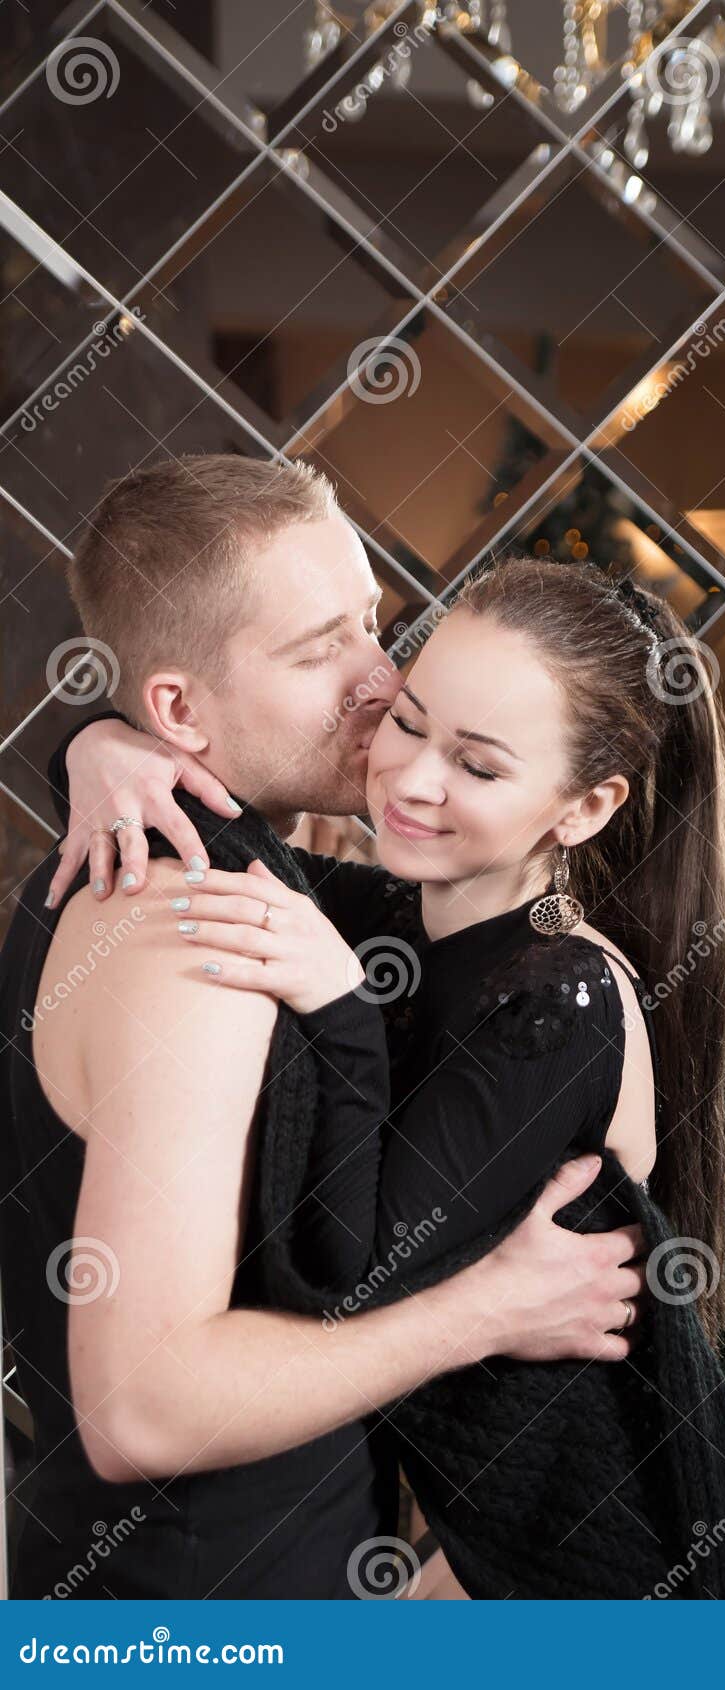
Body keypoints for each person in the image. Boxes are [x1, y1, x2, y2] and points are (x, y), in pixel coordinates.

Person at [43, 533, 725, 1599]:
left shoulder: (560, 999)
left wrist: (338, 1005)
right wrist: (97, 745)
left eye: (477, 763)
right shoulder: (397, 913)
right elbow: (212, 830)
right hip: (474, 1576)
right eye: (408, 720)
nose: (412, 779)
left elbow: (350, 1274)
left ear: (586, 806)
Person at [0, 456, 646, 1601]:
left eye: (370, 624)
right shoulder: (199, 938)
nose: (380, 680)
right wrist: (487, 1308)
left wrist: (94, 747)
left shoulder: (270, 884)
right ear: (177, 711)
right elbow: (139, 1411)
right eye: (317, 652)